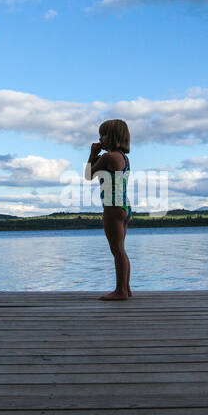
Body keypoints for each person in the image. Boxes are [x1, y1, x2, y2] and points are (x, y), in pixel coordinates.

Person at [85, 119, 132, 300]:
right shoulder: (122, 157)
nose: (100, 138)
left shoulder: (108, 157)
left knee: (117, 250)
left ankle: (121, 292)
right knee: (121, 249)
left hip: (112, 206)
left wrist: (91, 154)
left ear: (112, 136)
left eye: (103, 134)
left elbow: (88, 175)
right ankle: (126, 288)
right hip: (124, 206)